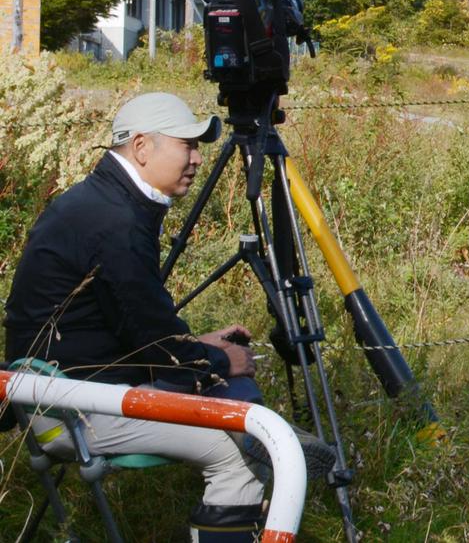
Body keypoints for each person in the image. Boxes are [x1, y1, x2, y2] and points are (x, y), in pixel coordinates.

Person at [5, 93, 271, 542]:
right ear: (143, 147)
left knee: (235, 409)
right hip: (72, 410)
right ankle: (281, 445)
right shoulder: (116, 221)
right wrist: (221, 360)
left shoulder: (99, 201)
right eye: (186, 145)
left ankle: (284, 440)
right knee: (238, 450)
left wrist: (198, 347)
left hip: (52, 391)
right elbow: (149, 336)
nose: (197, 158)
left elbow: (126, 323)